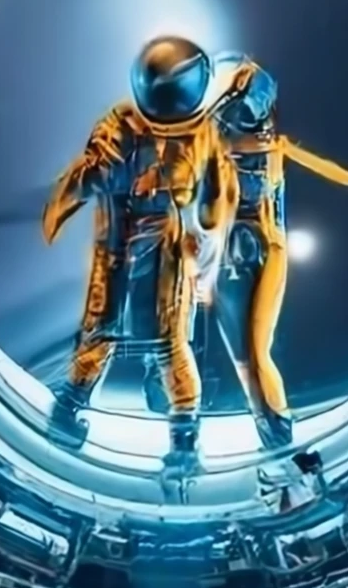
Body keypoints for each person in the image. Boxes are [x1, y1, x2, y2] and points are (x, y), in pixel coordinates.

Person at [42, 36, 241, 474]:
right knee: (101, 331)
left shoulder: (201, 131)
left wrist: (210, 239)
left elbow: (219, 191)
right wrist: (85, 187)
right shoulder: (122, 122)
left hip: (164, 245)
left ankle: (184, 440)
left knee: (167, 341)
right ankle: (69, 408)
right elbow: (91, 168)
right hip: (117, 240)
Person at [211, 52, 348, 449]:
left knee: (258, 352)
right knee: (244, 361)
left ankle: (280, 435)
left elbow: (337, 172)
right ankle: (272, 436)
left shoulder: (271, 144)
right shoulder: (212, 146)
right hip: (227, 256)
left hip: (267, 250)